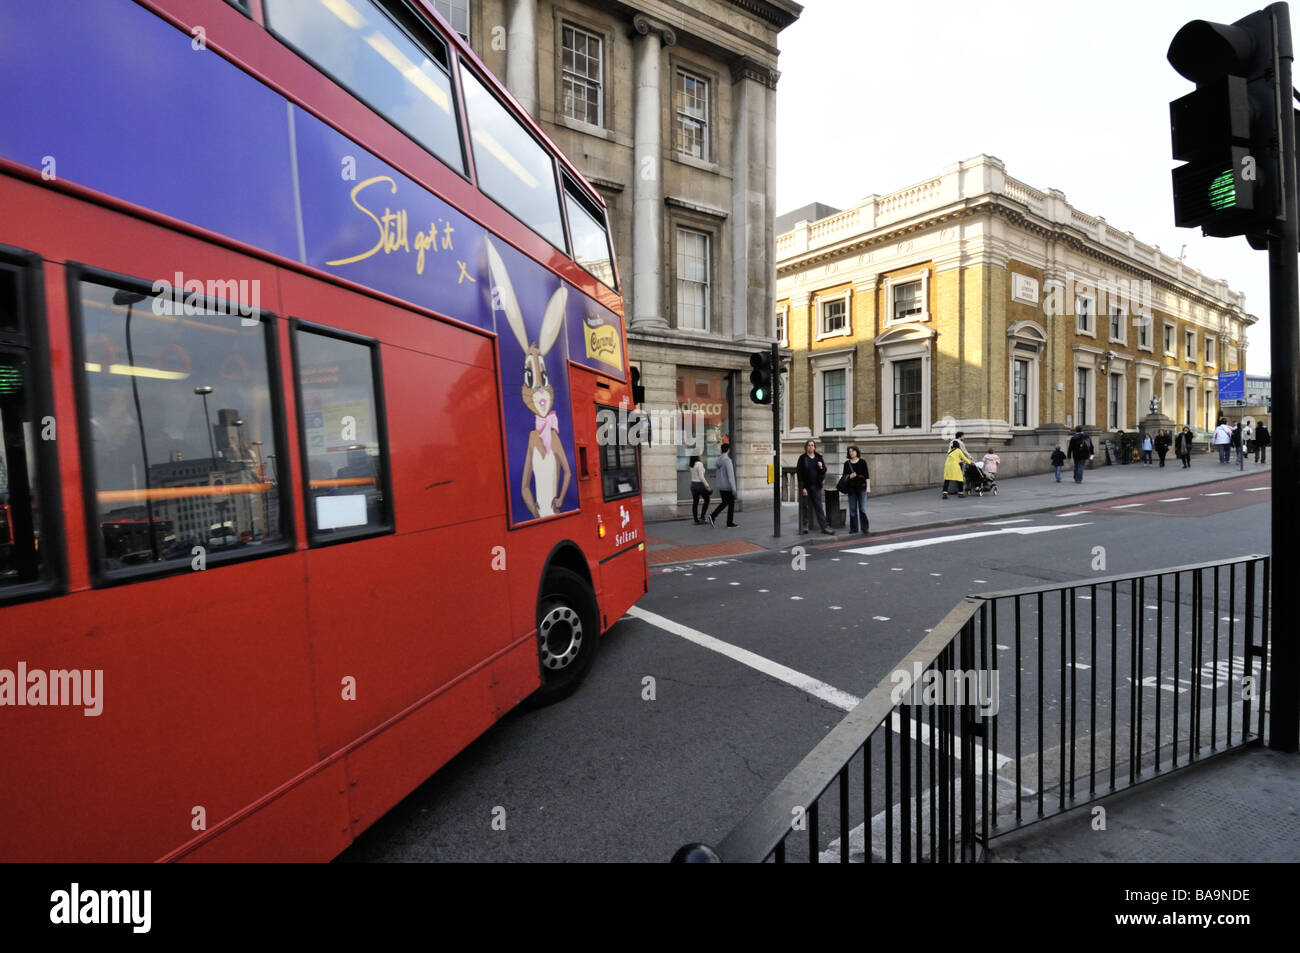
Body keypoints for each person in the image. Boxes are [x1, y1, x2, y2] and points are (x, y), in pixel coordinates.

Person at [796, 439, 833, 535]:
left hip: (816, 487)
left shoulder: (819, 457)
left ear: (815, 447)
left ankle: (824, 527)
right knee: (805, 507)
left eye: (812, 445)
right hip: (806, 487)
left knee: (819, 507)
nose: (810, 447)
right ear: (806, 447)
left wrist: (821, 467)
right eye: (808, 445)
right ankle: (805, 526)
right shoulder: (802, 458)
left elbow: (824, 471)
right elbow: (799, 474)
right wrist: (802, 488)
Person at [842, 446, 870, 534]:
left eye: (853, 451)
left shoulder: (862, 462)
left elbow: (867, 476)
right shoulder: (847, 464)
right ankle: (854, 528)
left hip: (862, 488)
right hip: (851, 489)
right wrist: (850, 476)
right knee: (853, 509)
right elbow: (844, 477)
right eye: (850, 451)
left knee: (862, 508)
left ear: (857, 452)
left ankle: (864, 528)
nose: (851, 452)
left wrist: (868, 487)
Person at [708, 443, 737, 527]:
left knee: (724, 503)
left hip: (721, 486)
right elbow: (730, 476)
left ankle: (713, 516)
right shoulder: (727, 460)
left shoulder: (718, 460)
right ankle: (729, 523)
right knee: (731, 504)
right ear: (728, 450)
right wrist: (734, 489)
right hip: (727, 486)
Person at [689, 454, 711, 524]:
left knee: (695, 502)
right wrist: (707, 486)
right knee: (707, 500)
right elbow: (701, 477)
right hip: (699, 485)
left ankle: (696, 520)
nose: (700, 455)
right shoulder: (699, 464)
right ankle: (702, 517)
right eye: (699, 453)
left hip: (693, 485)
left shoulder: (691, 464)